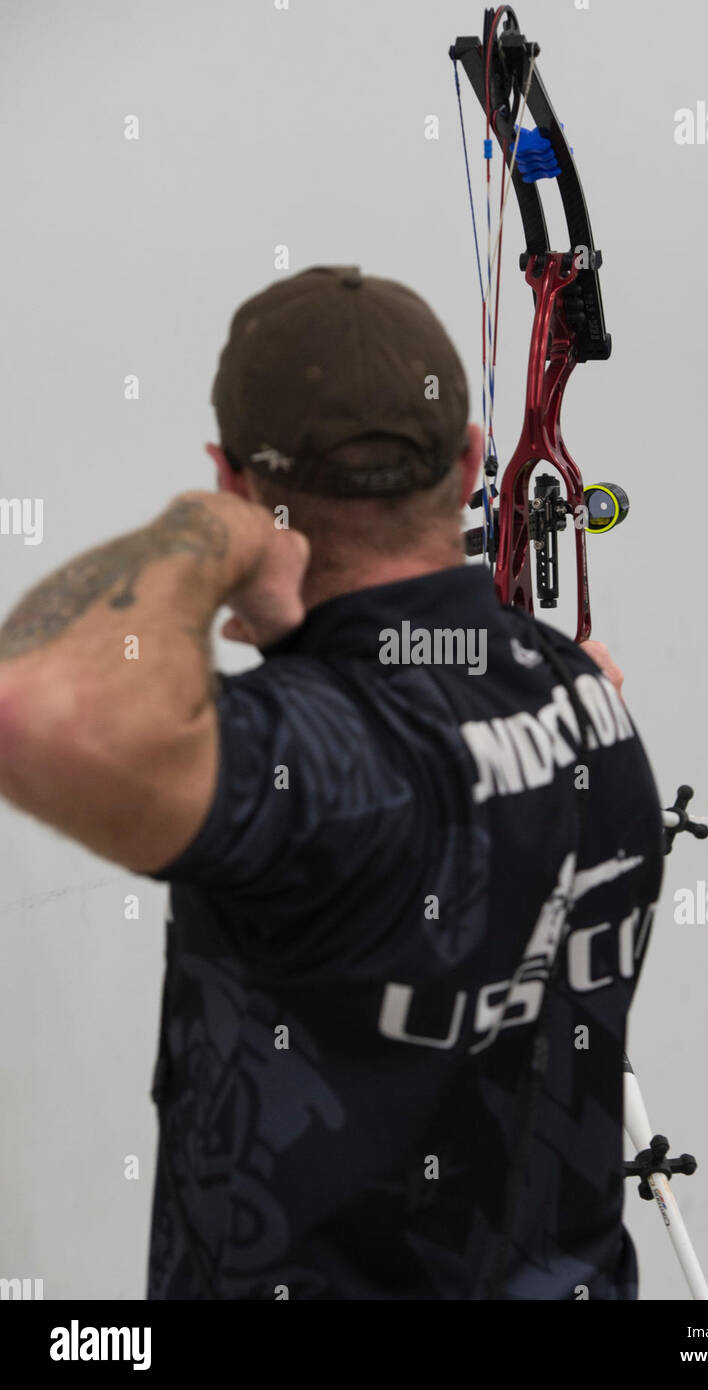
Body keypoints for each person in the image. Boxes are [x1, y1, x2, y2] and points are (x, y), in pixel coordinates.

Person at [0, 265, 663, 1300]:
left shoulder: (317, 746)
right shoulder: (589, 698)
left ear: (237, 483)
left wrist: (211, 533)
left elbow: (35, 709)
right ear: (472, 461)